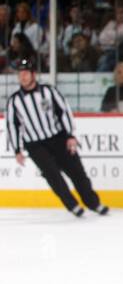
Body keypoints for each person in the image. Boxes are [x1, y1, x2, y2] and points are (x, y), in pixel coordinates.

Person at [5, 56, 109, 217]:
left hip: (58, 138)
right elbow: (12, 125)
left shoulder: (49, 91)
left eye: (26, 72)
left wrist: (69, 135)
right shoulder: (14, 101)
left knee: (77, 172)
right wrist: (17, 150)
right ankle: (72, 205)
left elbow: (64, 112)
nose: (23, 76)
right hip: (35, 145)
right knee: (53, 176)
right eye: (20, 74)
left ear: (33, 74)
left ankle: (93, 203)